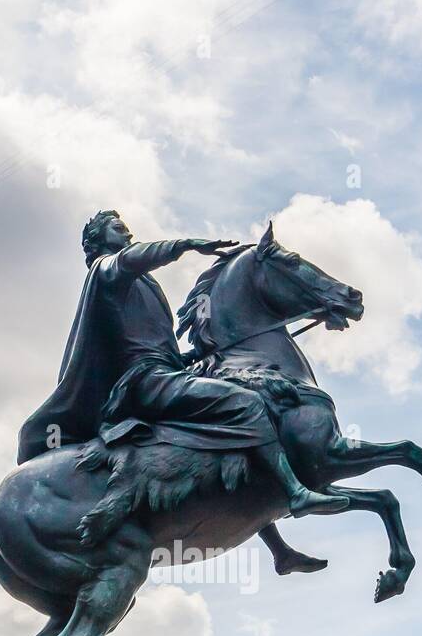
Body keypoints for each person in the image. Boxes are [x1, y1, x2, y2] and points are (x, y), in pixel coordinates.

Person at [17, 210, 348, 532]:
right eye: (118, 228)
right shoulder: (107, 270)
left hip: (163, 373)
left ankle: (278, 547)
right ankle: (295, 493)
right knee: (245, 404)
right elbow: (132, 260)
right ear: (97, 240)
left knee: (226, 431)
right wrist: (187, 244)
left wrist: (197, 354)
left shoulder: (140, 283)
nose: (128, 234)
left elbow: (154, 345)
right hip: (146, 381)